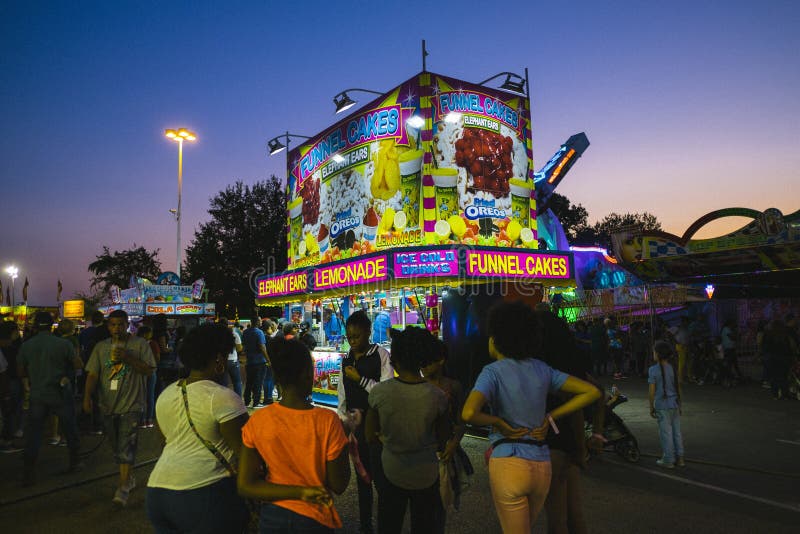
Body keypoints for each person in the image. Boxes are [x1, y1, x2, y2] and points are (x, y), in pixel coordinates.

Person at [461, 301, 601, 533]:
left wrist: (497, 422)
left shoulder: (492, 372)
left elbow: (468, 412)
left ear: (496, 340)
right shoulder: (543, 369)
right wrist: (551, 417)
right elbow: (592, 392)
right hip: (541, 465)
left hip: (508, 463)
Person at [237, 339, 350, 533]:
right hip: (315, 518)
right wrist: (344, 436)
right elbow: (339, 484)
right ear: (308, 375)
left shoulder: (258, 420)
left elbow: (246, 485)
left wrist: (297, 492)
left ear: (277, 376)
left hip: (273, 516)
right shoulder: (327, 421)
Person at [146, 323, 249, 533]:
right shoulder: (223, 398)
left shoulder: (166, 394)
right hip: (203, 492)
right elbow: (245, 453)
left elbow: (166, 442)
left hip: (158, 490)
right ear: (219, 360)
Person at [367, 327, 450, 534]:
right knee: (424, 525)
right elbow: (443, 436)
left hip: (392, 469)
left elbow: (370, 434)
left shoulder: (380, 393)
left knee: (389, 523)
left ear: (394, 358)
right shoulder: (438, 396)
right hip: (426, 472)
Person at [535, 310, 605, 534]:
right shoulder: (568, 364)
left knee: (556, 519)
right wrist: (595, 435)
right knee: (573, 514)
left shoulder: (537, 367)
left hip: (549, 444)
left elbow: (576, 411)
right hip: (565, 443)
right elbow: (598, 393)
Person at [83, 309, 156, 506]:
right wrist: (87, 397)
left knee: (126, 444)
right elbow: (92, 374)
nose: (117, 328)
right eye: (113, 325)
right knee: (116, 445)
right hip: (107, 405)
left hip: (132, 404)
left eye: (121, 324)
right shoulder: (101, 347)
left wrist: (128, 358)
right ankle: (129, 478)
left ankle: (123, 487)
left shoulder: (139, 345)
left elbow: (149, 371)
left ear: (127, 325)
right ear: (108, 326)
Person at [337, 310, 393, 534]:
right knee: (363, 479)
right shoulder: (346, 358)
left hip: (378, 428)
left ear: (368, 332)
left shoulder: (380, 355)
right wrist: (342, 423)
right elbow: (342, 394)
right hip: (356, 430)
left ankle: (387, 525)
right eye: (349, 337)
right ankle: (365, 525)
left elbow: (387, 392)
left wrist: (359, 379)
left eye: (357, 336)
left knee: (382, 479)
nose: (352, 341)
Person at [18, 312, 84, 485]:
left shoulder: (27, 346)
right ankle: (75, 461)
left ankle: (28, 470)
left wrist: (30, 380)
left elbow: (21, 370)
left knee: (34, 432)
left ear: (35, 326)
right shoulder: (63, 344)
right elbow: (78, 364)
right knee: (69, 428)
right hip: (60, 393)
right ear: (51, 325)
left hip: (38, 393)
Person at [421, 339, 472, 512]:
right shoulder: (418, 385)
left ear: (441, 360)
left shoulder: (453, 386)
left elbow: (461, 420)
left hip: (444, 449)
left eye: (427, 360)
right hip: (422, 451)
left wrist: (453, 444)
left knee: (442, 501)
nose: (423, 365)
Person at [648, 340, 685, 468]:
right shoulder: (673, 368)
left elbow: (651, 391)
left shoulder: (653, 370)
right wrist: (680, 404)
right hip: (674, 404)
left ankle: (668, 459)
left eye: (654, 352)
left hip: (662, 406)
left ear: (658, 354)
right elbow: (678, 387)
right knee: (676, 432)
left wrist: (651, 407)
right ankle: (680, 458)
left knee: (666, 433)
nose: (652, 354)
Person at [0, 321, 23, 453]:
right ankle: (7, 441)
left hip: (10, 381)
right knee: (9, 411)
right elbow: (4, 371)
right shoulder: (13, 348)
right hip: (10, 382)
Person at [762, 318, 796, 400]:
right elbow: (789, 348)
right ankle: (785, 394)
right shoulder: (784, 335)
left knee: (774, 377)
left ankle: (775, 395)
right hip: (784, 358)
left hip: (773, 358)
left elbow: (766, 347)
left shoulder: (769, 334)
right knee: (784, 377)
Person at [242, 319, 271, 407]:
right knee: (258, 382)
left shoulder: (246, 332)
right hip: (259, 361)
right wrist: (268, 360)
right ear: (258, 322)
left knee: (249, 382)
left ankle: (246, 401)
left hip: (249, 361)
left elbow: (244, 346)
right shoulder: (259, 332)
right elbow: (262, 347)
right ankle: (256, 402)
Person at [136, 326, 160, 428]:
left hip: (139, 371)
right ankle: (149, 420)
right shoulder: (152, 344)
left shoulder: (136, 343)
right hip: (151, 371)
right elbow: (158, 357)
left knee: (140, 396)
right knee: (150, 396)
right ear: (146, 334)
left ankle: (141, 420)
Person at [218, 317, 243, 397]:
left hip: (221, 361)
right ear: (227, 324)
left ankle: (224, 400)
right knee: (237, 382)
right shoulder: (234, 334)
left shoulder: (216, 335)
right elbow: (239, 348)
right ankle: (238, 400)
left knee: (223, 383)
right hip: (233, 360)